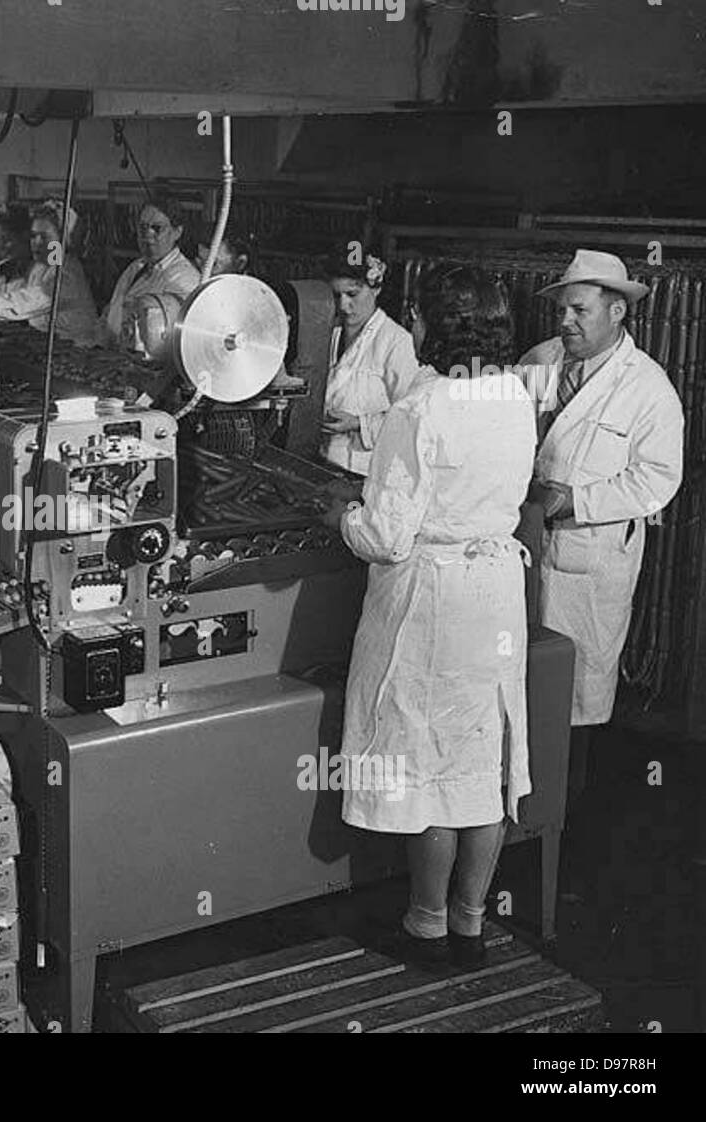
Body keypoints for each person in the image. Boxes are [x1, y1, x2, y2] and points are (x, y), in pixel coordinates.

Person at [320, 265, 537, 966]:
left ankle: (425, 922)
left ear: (429, 324)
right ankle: (472, 920)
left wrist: (339, 513)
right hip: (496, 590)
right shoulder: (513, 396)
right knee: (482, 760)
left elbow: (385, 536)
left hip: (433, 594)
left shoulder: (420, 406)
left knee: (428, 763)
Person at [520, 250, 684, 800]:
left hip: (589, 557)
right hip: (527, 543)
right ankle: (518, 806)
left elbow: (658, 479)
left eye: (579, 311)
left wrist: (578, 501)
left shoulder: (648, 388)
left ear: (617, 312)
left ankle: (562, 816)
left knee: (576, 694)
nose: (565, 322)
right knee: (523, 682)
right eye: (563, 310)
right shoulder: (540, 361)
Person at [319, 249, 424, 476]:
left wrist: (359, 423)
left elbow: (414, 417)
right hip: (322, 462)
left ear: (376, 288)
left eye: (352, 294)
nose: (343, 306)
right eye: (336, 295)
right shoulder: (326, 332)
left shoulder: (396, 343)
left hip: (366, 471)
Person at [0, 202, 102, 347]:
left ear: (62, 240)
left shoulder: (66, 273)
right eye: (33, 236)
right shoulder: (40, 267)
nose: (36, 242)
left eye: (44, 236)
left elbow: (22, 304)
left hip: (82, 349)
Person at [101, 196, 201, 352]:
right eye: (142, 227)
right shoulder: (135, 268)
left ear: (177, 232)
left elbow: (180, 343)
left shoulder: (185, 279)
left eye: (157, 228)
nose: (147, 234)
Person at [0, 202, 34, 299]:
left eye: (6, 239)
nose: (6, 247)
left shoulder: (38, 270)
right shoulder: (0, 268)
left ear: (25, 236)